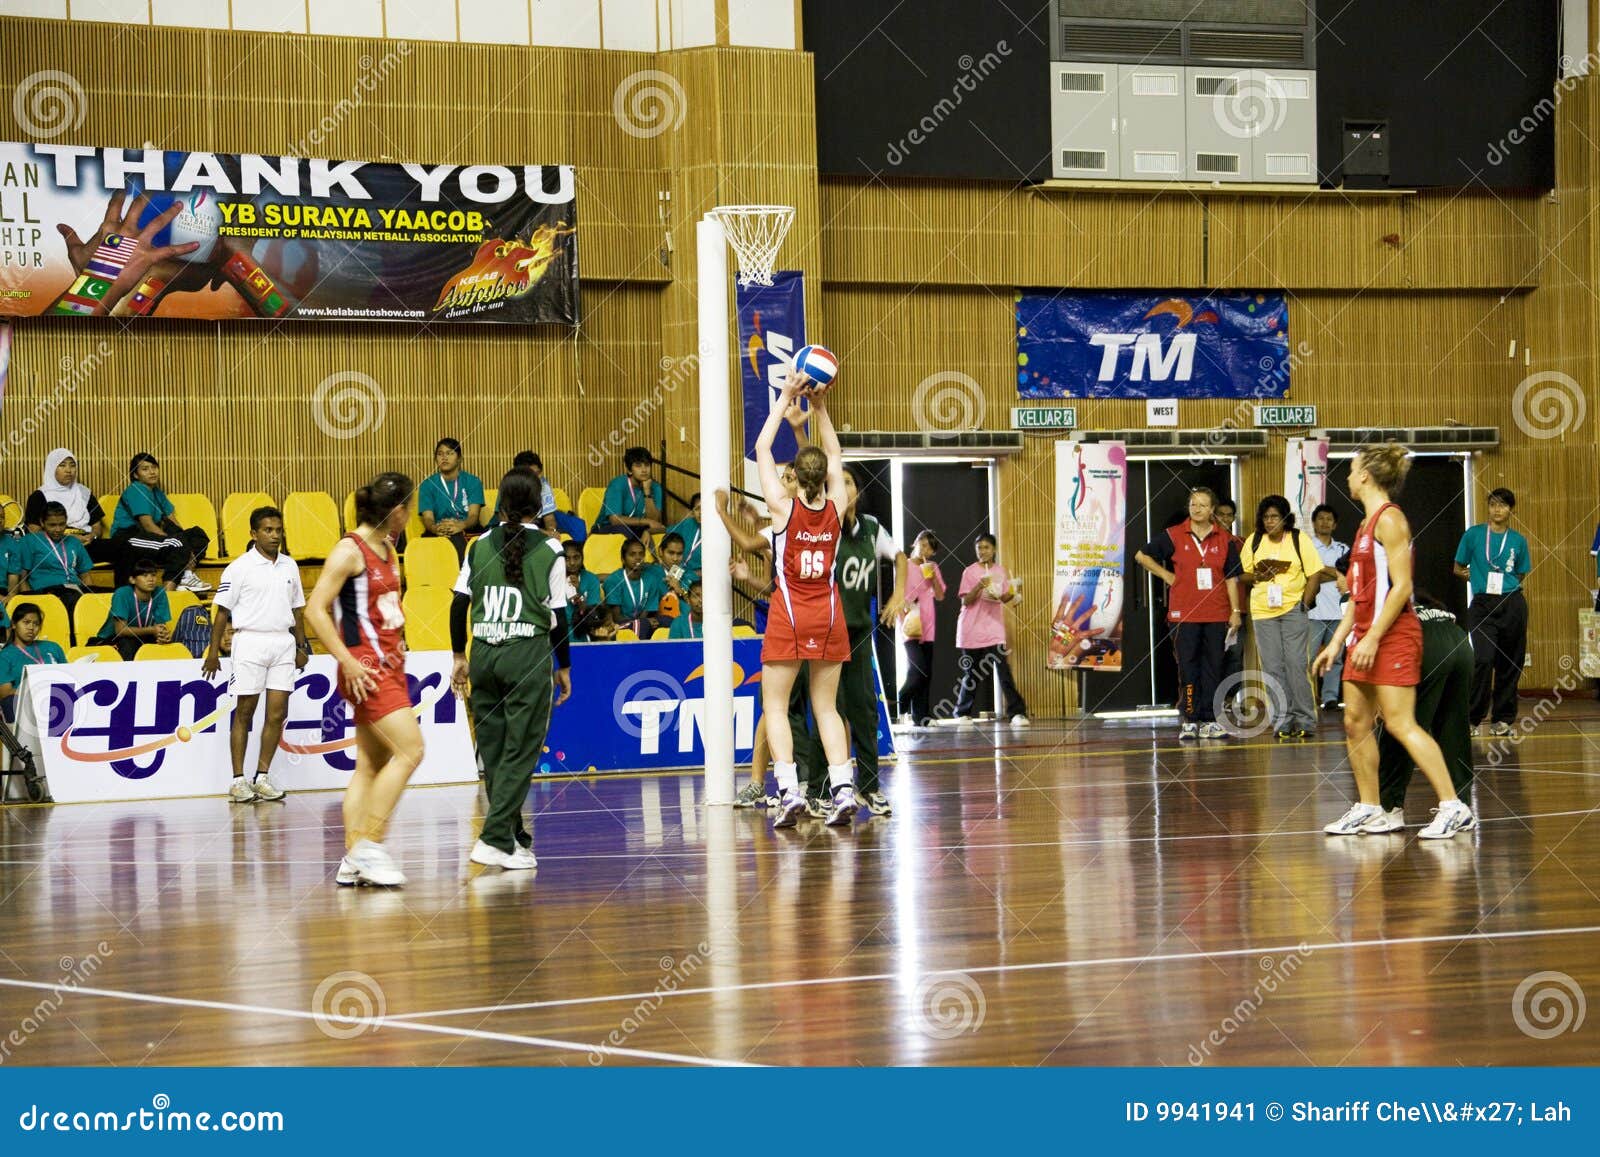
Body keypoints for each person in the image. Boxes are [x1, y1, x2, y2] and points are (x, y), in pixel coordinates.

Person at [1312, 443, 1476, 839]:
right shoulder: (1365, 524)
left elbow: (1402, 587)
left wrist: (1372, 639)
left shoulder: (1391, 520)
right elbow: (1359, 593)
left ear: (1366, 475)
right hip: (1365, 634)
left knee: (1401, 723)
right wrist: (1337, 642)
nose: (1347, 476)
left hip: (1393, 635)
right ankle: (1371, 808)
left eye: (1351, 470)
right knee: (1354, 722)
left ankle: (1455, 807)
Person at [304, 472, 425, 887]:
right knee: (411, 750)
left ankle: (354, 855)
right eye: (409, 507)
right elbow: (315, 610)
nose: (412, 514)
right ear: (396, 511)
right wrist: (348, 662)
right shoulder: (348, 550)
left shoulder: (389, 547)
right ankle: (372, 846)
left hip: (390, 663)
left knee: (370, 763)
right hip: (365, 668)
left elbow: (386, 607)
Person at [450, 468, 572, 871]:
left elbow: (457, 605)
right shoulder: (552, 549)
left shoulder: (478, 546)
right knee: (521, 751)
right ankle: (493, 837)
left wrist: (459, 657)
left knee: (496, 752)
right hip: (526, 653)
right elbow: (558, 614)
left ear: (500, 502)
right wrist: (564, 665)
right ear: (539, 506)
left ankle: (513, 838)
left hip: (483, 651)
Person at [755, 369, 856, 828]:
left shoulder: (782, 507)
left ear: (793, 476)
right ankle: (843, 789)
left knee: (775, 706)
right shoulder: (836, 507)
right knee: (826, 708)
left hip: (790, 613)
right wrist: (819, 406)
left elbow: (760, 448)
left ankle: (790, 791)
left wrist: (784, 398)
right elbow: (834, 453)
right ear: (826, 478)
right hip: (829, 614)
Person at [808, 464, 907, 814]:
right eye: (838, 482)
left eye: (849, 482)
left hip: (860, 631)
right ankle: (818, 789)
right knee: (826, 710)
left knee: (865, 710)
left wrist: (898, 595)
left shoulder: (871, 527)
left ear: (858, 491)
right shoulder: (824, 526)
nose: (844, 487)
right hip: (826, 632)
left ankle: (868, 786)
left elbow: (900, 556)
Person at [202, 506, 310, 805]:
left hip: (283, 643)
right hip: (249, 642)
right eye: (268, 530)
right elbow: (222, 612)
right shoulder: (238, 568)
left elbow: (297, 609)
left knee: (278, 712)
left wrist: (301, 646)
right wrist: (213, 653)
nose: (275, 535)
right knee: (245, 711)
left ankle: (262, 777)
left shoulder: (290, 566)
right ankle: (238, 781)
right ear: (253, 533)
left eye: (278, 530)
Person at [1134, 487, 1242, 740]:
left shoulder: (1225, 539)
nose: (1197, 509)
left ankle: (1210, 719)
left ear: (1212, 510)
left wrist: (1235, 611)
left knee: (1213, 667)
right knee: (1188, 668)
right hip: (1184, 614)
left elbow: (1232, 578)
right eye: (1193, 504)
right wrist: (1168, 576)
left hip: (1216, 613)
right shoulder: (1173, 535)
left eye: (1203, 505)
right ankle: (1190, 719)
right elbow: (1141, 555)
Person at [1375, 595, 1475, 830]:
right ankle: (1460, 806)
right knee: (1454, 729)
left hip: (1425, 642)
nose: (1340, 584)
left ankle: (1389, 808)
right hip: (1459, 640)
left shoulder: (1366, 598)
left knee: (1399, 726)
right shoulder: (1423, 603)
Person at [1239, 495, 1325, 741]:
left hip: (1292, 610)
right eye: (1265, 517)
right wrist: (1258, 575)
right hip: (1263, 613)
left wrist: (1304, 604)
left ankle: (1305, 720)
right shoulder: (1254, 541)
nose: (1269, 521)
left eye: (1274, 516)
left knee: (1297, 664)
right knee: (1272, 667)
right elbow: (1241, 575)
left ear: (1285, 518)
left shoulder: (1299, 539)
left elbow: (1315, 574)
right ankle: (1282, 722)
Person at [1453, 487, 1530, 738]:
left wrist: (1505, 585)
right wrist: (1473, 576)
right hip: (1482, 604)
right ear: (1488, 507)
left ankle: (1503, 719)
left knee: (1510, 663)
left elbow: (1520, 573)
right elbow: (1458, 567)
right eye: (1494, 504)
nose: (1498, 509)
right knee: (1483, 659)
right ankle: (1472, 719)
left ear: (1511, 510)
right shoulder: (1474, 534)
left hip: (1512, 603)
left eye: (1503, 505)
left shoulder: (1518, 540)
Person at [953, 533, 1029, 727]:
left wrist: (1013, 595)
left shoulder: (1001, 571)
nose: (982, 551)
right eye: (979, 548)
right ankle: (962, 712)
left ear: (994, 550)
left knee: (1003, 670)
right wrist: (979, 585)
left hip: (994, 628)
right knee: (971, 672)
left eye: (986, 547)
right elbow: (965, 601)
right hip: (971, 628)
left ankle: (1017, 713)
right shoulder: (969, 572)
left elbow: (1001, 598)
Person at [110, 452, 211, 592]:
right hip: (130, 537)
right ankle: (170, 589)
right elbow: (148, 525)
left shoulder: (157, 492)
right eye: (145, 469)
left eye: (154, 467)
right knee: (177, 544)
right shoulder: (136, 490)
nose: (152, 472)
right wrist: (179, 545)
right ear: (135, 475)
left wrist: (185, 545)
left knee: (197, 534)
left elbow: (174, 523)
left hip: (152, 538)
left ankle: (186, 575)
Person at [25, 448, 115, 566]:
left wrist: (92, 536)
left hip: (86, 543)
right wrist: (69, 538)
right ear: (52, 468)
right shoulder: (39, 496)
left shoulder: (85, 493)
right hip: (56, 544)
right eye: (62, 465)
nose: (68, 470)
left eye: (72, 465)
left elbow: (96, 525)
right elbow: (34, 532)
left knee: (122, 547)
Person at [8, 501, 95, 620]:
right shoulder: (30, 541)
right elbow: (22, 579)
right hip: (46, 593)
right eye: (52, 525)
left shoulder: (74, 542)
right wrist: (30, 600)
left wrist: (89, 599)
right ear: (42, 523)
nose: (58, 529)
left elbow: (86, 575)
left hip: (74, 591)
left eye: (62, 524)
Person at [896, 530, 945, 729]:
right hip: (910, 623)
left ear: (932, 552)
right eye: (921, 544)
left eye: (928, 547)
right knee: (918, 670)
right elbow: (898, 593)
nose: (923, 549)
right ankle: (900, 702)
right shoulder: (904, 566)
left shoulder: (932, 567)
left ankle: (921, 716)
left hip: (928, 623)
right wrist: (904, 610)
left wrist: (933, 578)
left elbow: (940, 596)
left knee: (927, 673)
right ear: (914, 543)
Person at [1308, 503, 1350, 709]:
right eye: (1321, 518)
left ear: (1334, 525)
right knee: (1307, 659)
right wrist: (1335, 572)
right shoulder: (1306, 546)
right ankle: (1307, 697)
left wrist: (1319, 573)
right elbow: (1307, 575)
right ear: (1314, 522)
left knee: (1336, 658)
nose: (1325, 522)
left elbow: (1349, 574)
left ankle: (1330, 698)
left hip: (1339, 612)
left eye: (1329, 519)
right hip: (1312, 613)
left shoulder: (1343, 548)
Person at [91, 558, 173, 660]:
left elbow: (160, 625)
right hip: (111, 640)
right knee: (128, 644)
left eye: (153, 575)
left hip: (143, 637)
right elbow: (120, 630)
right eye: (144, 575)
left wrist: (162, 635)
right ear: (132, 580)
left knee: (167, 645)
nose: (150, 579)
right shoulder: (122, 593)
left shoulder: (159, 593)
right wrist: (152, 630)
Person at [418, 438, 485, 558]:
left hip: (467, 529)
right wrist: (435, 528)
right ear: (435, 459)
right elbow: (428, 518)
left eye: (449, 453)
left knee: (459, 539)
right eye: (440, 454)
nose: (444, 457)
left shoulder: (473, 482)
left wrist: (461, 525)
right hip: (438, 530)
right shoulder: (427, 485)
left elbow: (473, 516)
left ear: (459, 458)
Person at [0, 603, 67, 720]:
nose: (31, 627)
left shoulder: (53, 647)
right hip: (26, 705)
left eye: (36, 624)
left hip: (58, 699)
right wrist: (38, 692)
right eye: (26, 622)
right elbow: (5, 692)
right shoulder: (5, 656)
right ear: (14, 624)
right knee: (10, 702)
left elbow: (68, 676)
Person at [1213, 498, 1247, 705]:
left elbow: (1245, 574)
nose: (1226, 518)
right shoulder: (1207, 542)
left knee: (1235, 657)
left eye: (1229, 515)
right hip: (1213, 610)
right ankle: (1211, 700)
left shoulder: (1242, 543)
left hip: (1239, 609)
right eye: (1221, 514)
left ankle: (1228, 700)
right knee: (1213, 656)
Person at [594, 446, 665, 540]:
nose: (644, 470)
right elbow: (615, 520)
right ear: (629, 470)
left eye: (647, 465)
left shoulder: (655, 487)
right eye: (638, 465)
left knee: (662, 530)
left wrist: (647, 492)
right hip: (606, 528)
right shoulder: (617, 484)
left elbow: (655, 521)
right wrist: (646, 521)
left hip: (636, 528)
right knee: (625, 531)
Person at [602, 537, 665, 635]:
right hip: (619, 626)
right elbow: (616, 618)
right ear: (623, 559)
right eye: (632, 554)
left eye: (641, 554)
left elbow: (646, 613)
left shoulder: (651, 580)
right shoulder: (614, 580)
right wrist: (641, 623)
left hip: (641, 623)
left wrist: (642, 622)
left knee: (667, 620)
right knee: (644, 625)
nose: (638, 558)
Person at [647, 532, 697, 621]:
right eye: (671, 553)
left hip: (690, 622)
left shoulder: (690, 575)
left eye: (679, 554)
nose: (675, 558)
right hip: (664, 621)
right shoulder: (651, 573)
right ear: (660, 551)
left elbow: (702, 607)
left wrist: (681, 591)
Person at [562, 540, 604, 638]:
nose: (572, 563)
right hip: (559, 630)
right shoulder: (553, 579)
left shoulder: (591, 579)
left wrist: (578, 591)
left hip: (583, 629)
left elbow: (592, 615)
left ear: (582, 558)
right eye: (567, 559)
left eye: (576, 557)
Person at [512, 450, 559, 532]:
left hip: (537, 527)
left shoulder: (543, 485)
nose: (537, 478)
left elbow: (549, 518)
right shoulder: (510, 487)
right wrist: (545, 533)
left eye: (538, 473)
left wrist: (552, 531)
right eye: (532, 475)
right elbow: (521, 525)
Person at [666, 492, 704, 577]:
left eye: (705, 508)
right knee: (666, 584)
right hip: (678, 569)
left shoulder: (717, 533)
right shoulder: (689, 523)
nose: (701, 512)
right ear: (692, 512)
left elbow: (712, 570)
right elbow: (666, 531)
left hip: (698, 577)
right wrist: (648, 532)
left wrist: (687, 576)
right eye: (697, 509)